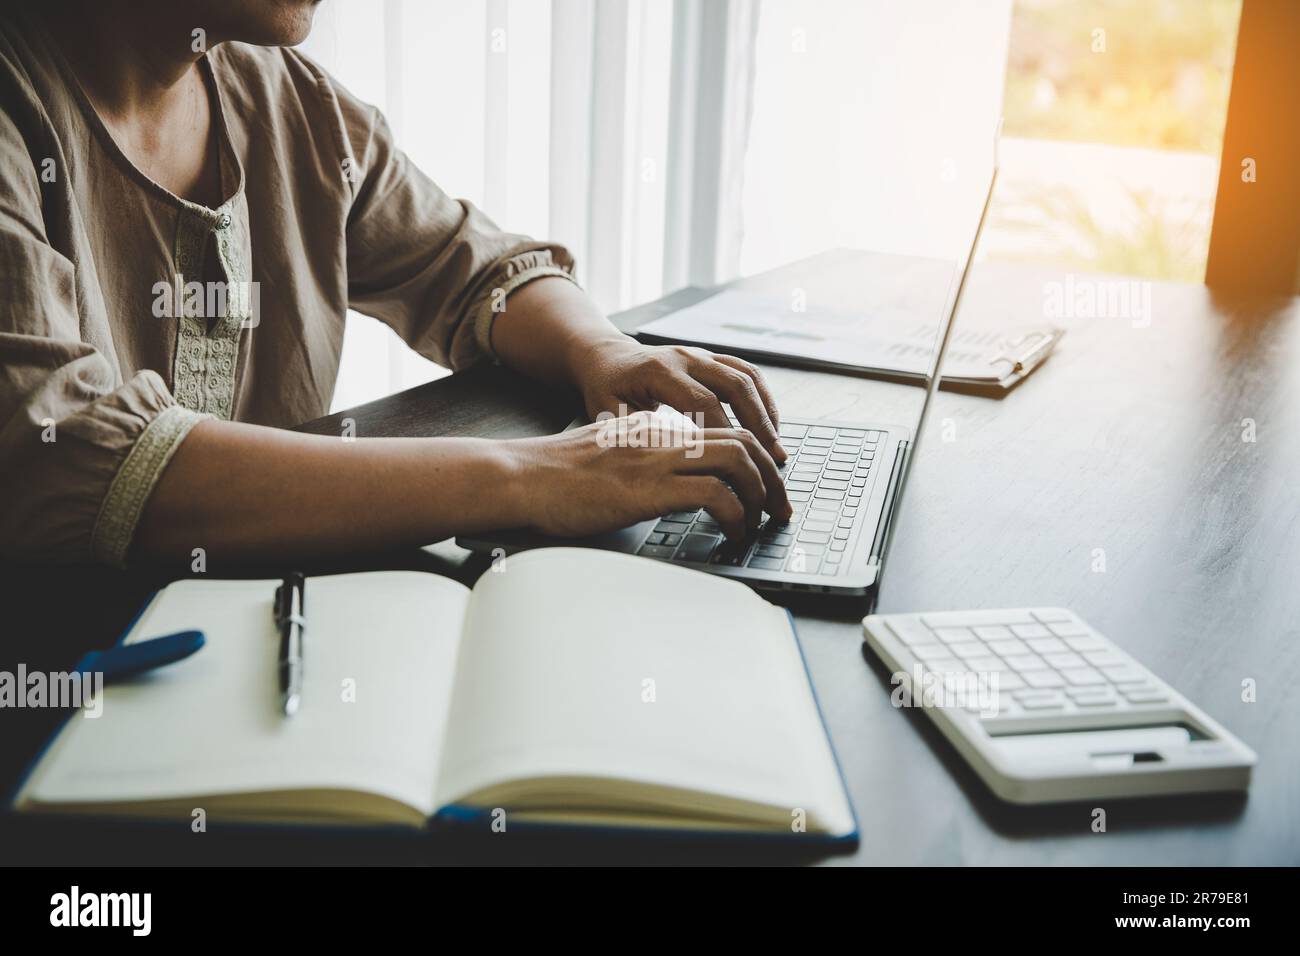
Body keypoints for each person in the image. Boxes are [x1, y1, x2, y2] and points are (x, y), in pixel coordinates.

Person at [0, 0, 790, 568]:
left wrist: (604, 350)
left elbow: (473, 266)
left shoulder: (291, 102)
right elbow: (62, 451)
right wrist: (535, 477)